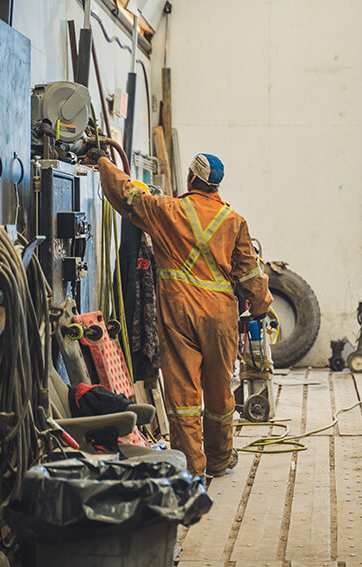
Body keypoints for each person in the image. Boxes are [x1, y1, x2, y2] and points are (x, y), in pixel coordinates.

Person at [87, 149, 273, 477]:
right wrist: (259, 307)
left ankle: (191, 467)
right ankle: (218, 459)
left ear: (191, 178)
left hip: (179, 312)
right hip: (220, 317)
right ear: (216, 186)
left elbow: (126, 194)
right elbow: (250, 275)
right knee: (219, 391)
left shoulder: (167, 210)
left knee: (184, 395)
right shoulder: (234, 221)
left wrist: (103, 161)